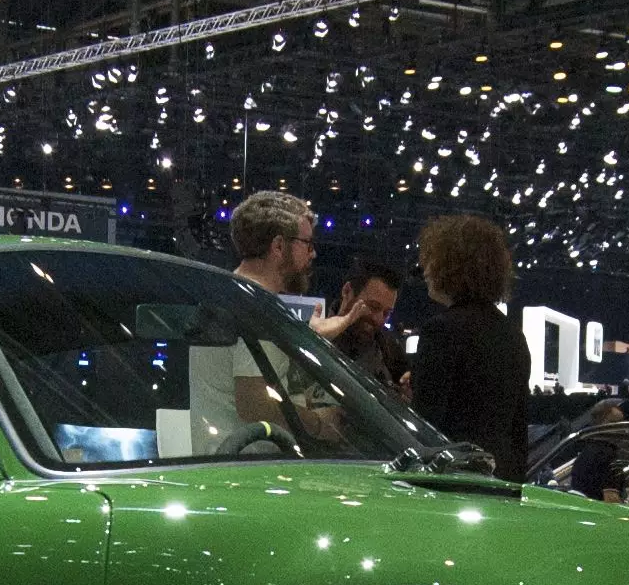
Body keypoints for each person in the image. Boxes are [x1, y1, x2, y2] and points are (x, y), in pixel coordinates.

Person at [407, 214, 530, 483]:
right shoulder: (514, 336)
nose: (425, 270)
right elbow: (518, 429)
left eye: (430, 260)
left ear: (451, 266)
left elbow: (426, 426)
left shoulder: (441, 331)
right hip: (501, 479)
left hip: (451, 480)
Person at [227, 190, 374, 341]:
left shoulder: (227, 299)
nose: (313, 254)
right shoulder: (254, 314)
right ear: (279, 246)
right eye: (307, 244)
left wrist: (311, 338)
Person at [327, 261, 408, 390]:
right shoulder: (311, 336)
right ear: (347, 291)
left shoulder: (390, 349)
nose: (379, 319)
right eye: (373, 306)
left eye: (387, 313)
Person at [568, 397, 628, 502]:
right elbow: (611, 501)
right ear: (601, 424)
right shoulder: (608, 456)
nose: (622, 429)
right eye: (616, 423)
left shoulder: (586, 452)